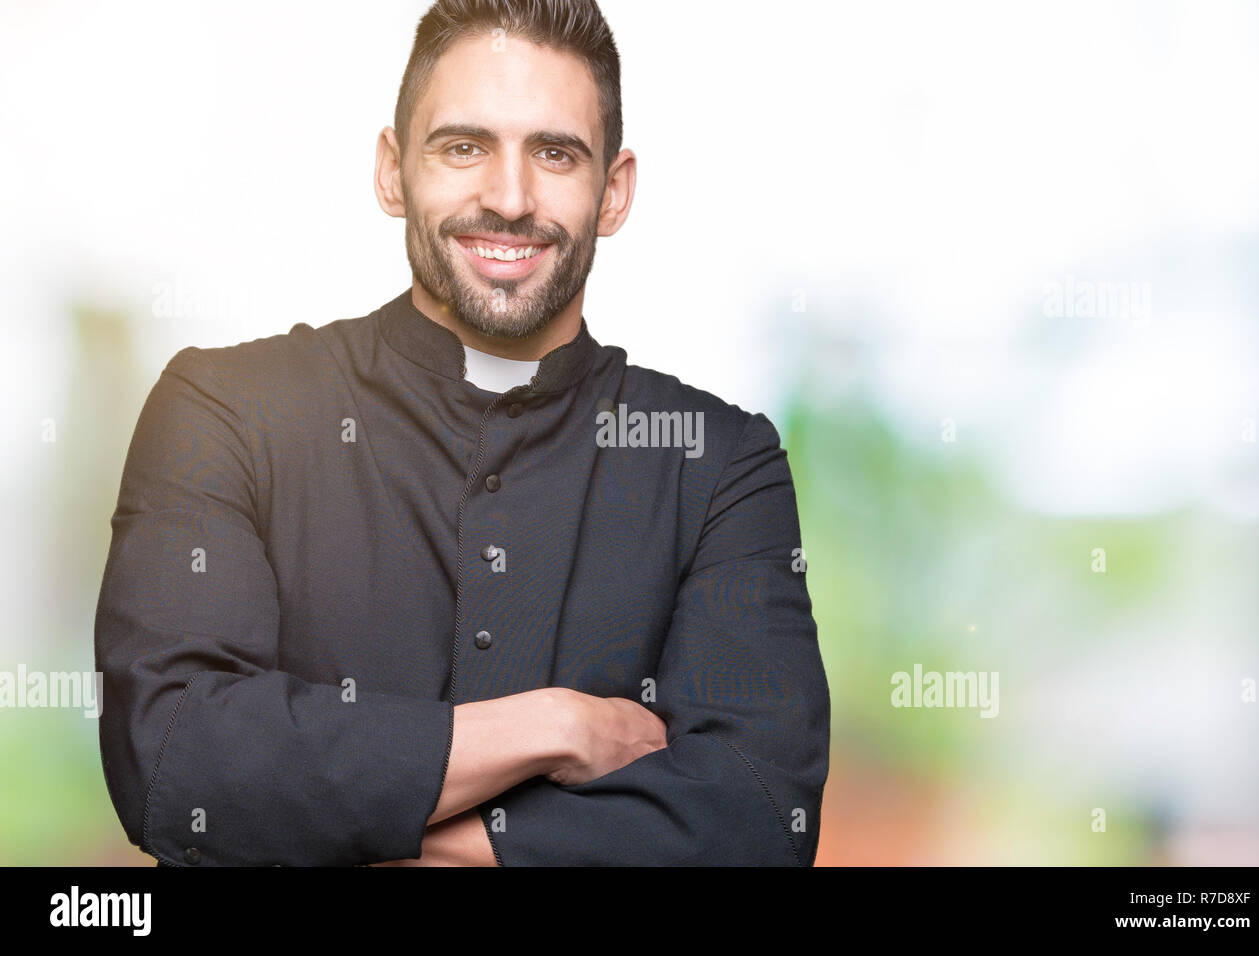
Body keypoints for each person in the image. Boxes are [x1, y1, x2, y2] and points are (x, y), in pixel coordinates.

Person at [95, 0, 831, 866]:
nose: (509, 199)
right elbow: (178, 761)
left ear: (615, 191)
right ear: (392, 171)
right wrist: (552, 726)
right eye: (464, 146)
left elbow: (755, 818)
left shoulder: (718, 463)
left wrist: (383, 832)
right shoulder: (222, 407)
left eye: (555, 154)